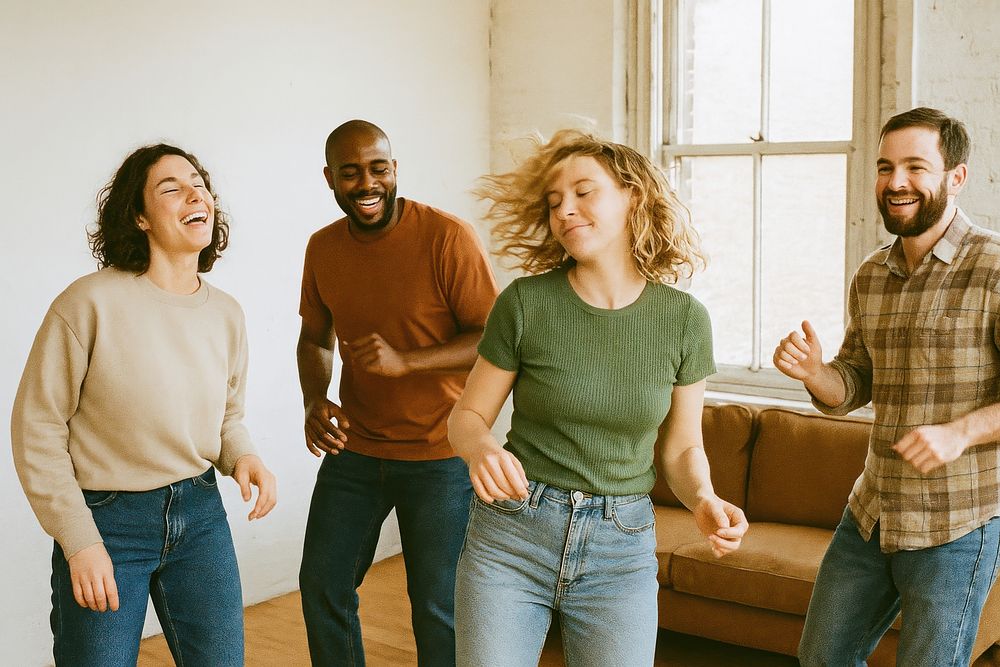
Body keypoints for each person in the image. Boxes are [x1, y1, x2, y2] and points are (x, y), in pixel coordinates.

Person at [448, 129, 749, 666]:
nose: (565, 210)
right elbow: (467, 416)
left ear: (633, 196)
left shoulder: (684, 321)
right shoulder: (525, 304)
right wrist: (482, 450)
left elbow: (681, 447)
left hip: (621, 548)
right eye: (554, 202)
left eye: (584, 192)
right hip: (512, 536)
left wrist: (703, 498)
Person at [11, 143, 277, 666]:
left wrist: (243, 456)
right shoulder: (87, 303)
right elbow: (37, 427)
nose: (195, 195)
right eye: (171, 189)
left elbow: (227, 415)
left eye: (199, 184)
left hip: (201, 515)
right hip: (107, 523)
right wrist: (79, 540)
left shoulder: (226, 313)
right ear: (140, 217)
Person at [774, 107, 1000, 666]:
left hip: (956, 524)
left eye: (915, 167)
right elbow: (854, 382)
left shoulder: (993, 268)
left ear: (956, 176)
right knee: (820, 659)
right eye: (885, 167)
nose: (896, 182)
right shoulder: (871, 275)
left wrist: (959, 433)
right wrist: (815, 373)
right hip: (870, 513)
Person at [296, 119, 498, 666]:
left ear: (394, 169)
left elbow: (492, 339)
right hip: (355, 450)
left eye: (378, 168)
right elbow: (315, 338)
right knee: (322, 585)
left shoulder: (447, 237)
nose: (367, 183)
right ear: (330, 178)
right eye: (350, 172)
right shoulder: (323, 248)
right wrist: (314, 399)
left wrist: (406, 361)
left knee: (438, 607)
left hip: (441, 454)